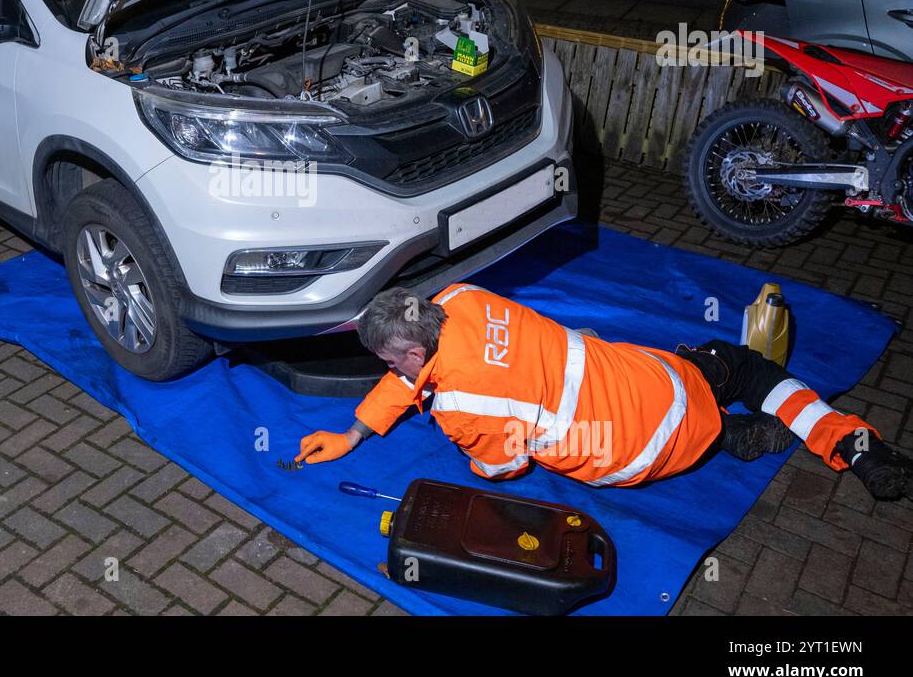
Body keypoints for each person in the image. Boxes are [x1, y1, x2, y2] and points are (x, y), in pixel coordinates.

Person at [295, 284, 912, 500]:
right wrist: (356, 427)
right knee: (746, 370)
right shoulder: (460, 299)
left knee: (633, 425)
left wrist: (477, 452)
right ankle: (847, 443)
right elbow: (411, 373)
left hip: (633, 457)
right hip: (663, 387)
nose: (390, 372)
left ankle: (731, 436)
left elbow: (503, 465)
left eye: (388, 361)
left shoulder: (458, 409)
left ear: (409, 355)